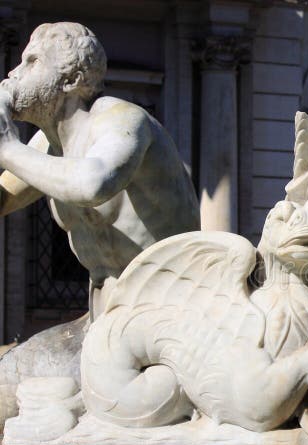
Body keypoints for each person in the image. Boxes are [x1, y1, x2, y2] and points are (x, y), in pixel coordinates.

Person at [0, 22, 200, 319]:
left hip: (170, 306)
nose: (13, 74)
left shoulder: (122, 119)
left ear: (71, 80)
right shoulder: (48, 143)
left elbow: (93, 185)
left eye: (33, 62)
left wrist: (7, 147)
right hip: (105, 311)